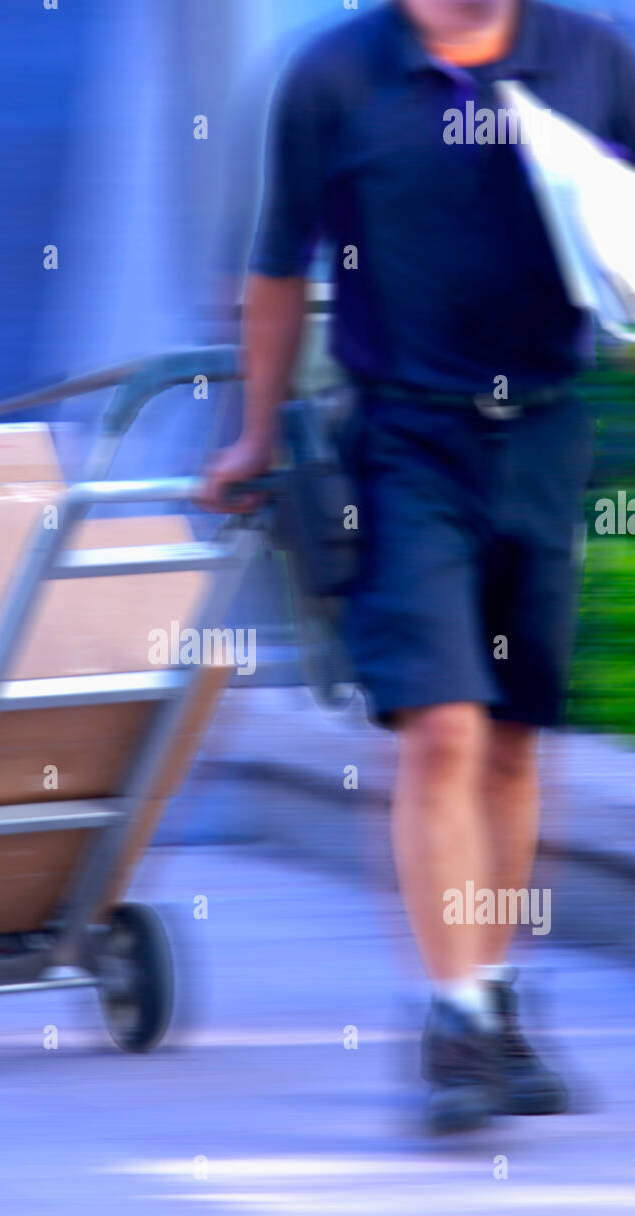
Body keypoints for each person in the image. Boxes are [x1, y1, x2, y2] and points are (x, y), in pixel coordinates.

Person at [201, 0, 635, 1132]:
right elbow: (276, 263)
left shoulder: (590, 57)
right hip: (402, 443)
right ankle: (446, 1019)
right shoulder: (336, 75)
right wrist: (254, 433)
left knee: (509, 740)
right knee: (437, 724)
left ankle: (491, 998)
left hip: (543, 433)